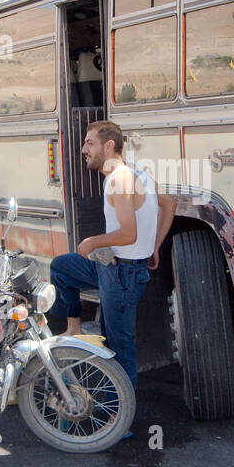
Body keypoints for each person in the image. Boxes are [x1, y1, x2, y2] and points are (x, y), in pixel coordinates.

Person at [48, 120, 175, 388]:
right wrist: (154, 246)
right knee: (61, 267)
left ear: (109, 145)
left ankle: (119, 420)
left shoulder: (119, 179)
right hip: (115, 268)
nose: (83, 149)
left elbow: (128, 234)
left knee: (119, 347)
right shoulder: (137, 171)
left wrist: (93, 241)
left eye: (89, 143)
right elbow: (169, 203)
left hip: (122, 275)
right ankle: (74, 327)